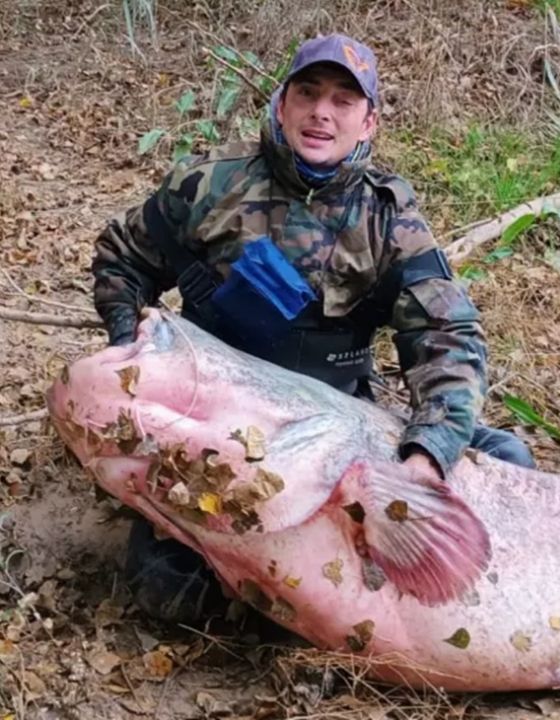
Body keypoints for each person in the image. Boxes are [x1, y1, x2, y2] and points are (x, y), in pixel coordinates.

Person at [90, 33, 535, 624]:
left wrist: (428, 454)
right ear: (282, 104)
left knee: (504, 457)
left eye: (343, 101)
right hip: (214, 419)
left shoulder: (389, 216)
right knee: (172, 593)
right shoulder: (209, 183)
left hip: (331, 419)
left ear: (368, 121)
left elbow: (447, 334)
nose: (322, 112)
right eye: (308, 93)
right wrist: (134, 349)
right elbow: (122, 259)